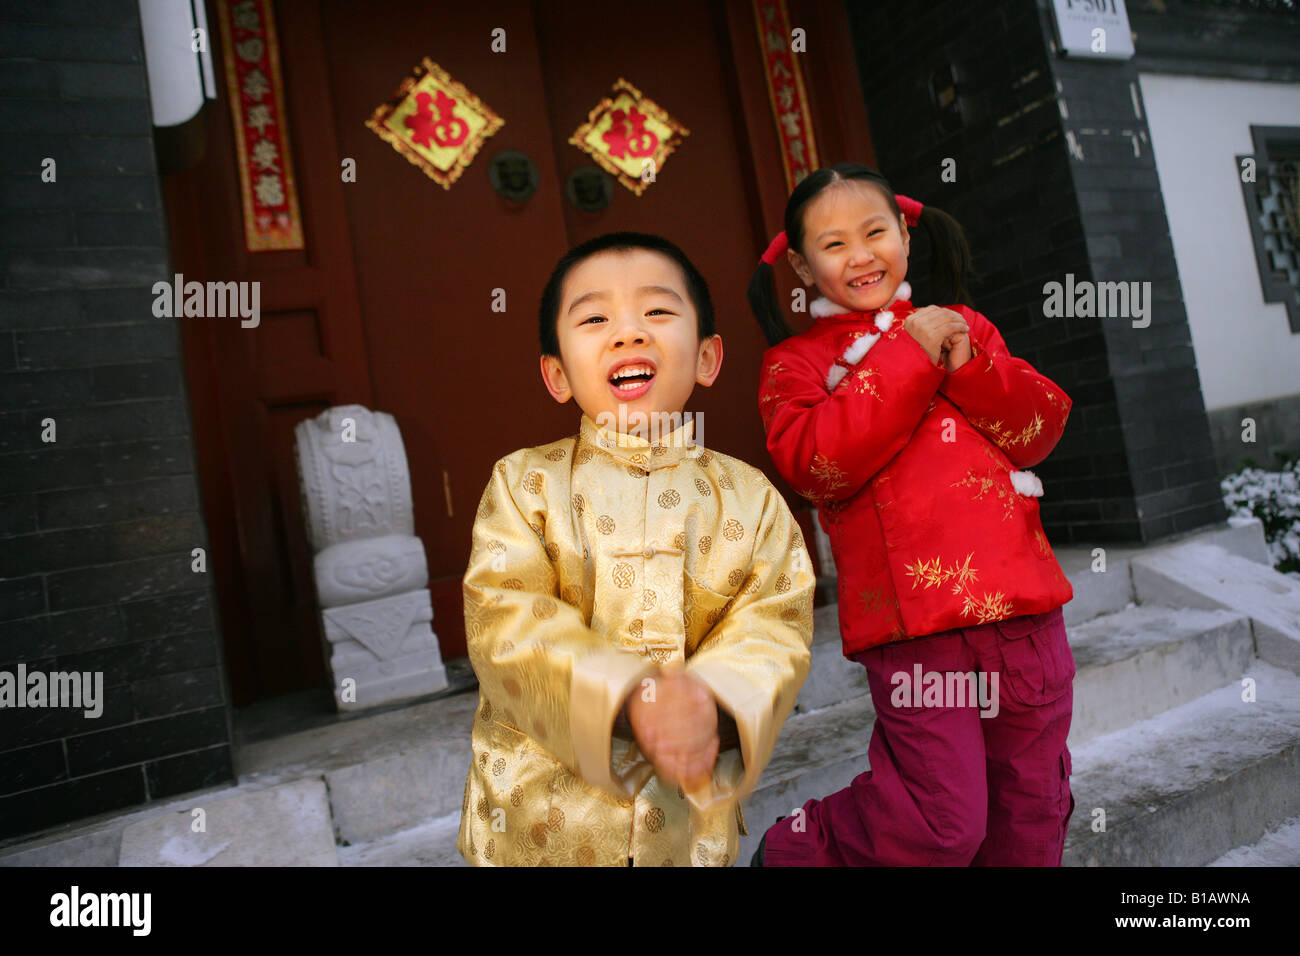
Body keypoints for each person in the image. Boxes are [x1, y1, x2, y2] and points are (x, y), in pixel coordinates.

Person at [746, 162, 1076, 866]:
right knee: (940, 822)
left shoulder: (967, 327)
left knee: (1031, 810)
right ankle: (798, 849)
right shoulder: (793, 365)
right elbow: (817, 463)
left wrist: (965, 363)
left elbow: (1036, 432)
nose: (861, 255)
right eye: (833, 245)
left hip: (1023, 612)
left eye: (874, 232)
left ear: (904, 232)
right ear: (801, 267)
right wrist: (908, 354)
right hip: (914, 629)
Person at [457, 231, 815, 866]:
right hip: (540, 821)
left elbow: (773, 626)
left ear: (707, 358)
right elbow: (502, 622)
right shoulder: (524, 485)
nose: (628, 334)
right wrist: (627, 697)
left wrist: (714, 703)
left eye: (656, 311)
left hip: (683, 822)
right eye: (595, 318)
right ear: (557, 374)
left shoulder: (750, 498)